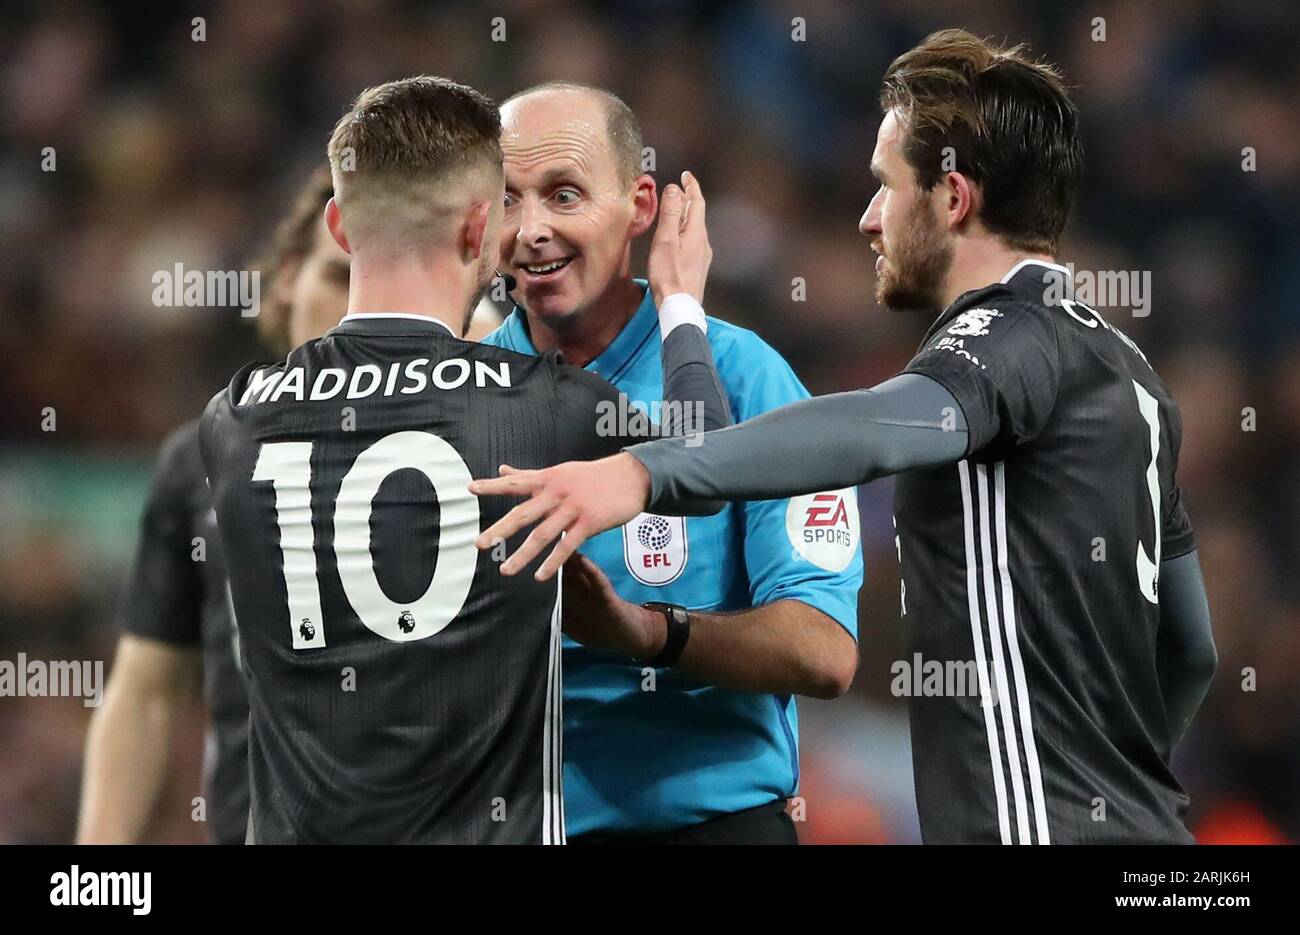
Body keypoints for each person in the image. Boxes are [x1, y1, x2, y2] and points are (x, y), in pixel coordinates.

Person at [471, 32, 1219, 844]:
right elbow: (1191, 652)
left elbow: (873, 427)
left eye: (885, 187)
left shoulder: (1009, 340)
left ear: (952, 198)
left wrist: (640, 473)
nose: (868, 218)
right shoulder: (1130, 368)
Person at [199, 76, 728, 844]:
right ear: (483, 230)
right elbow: (703, 461)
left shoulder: (236, 414)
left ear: (340, 227)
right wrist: (680, 300)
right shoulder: (543, 404)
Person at [480, 82, 864, 844]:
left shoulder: (748, 377)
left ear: (641, 206)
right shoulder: (463, 392)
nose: (531, 231)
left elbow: (824, 651)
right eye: (507, 201)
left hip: (714, 826)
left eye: (563, 196)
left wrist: (647, 633)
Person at [77, 167, 347, 844]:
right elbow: (143, 691)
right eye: (340, 278)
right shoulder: (198, 459)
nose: (359, 312)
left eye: (383, 284)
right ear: (286, 279)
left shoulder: (474, 448)